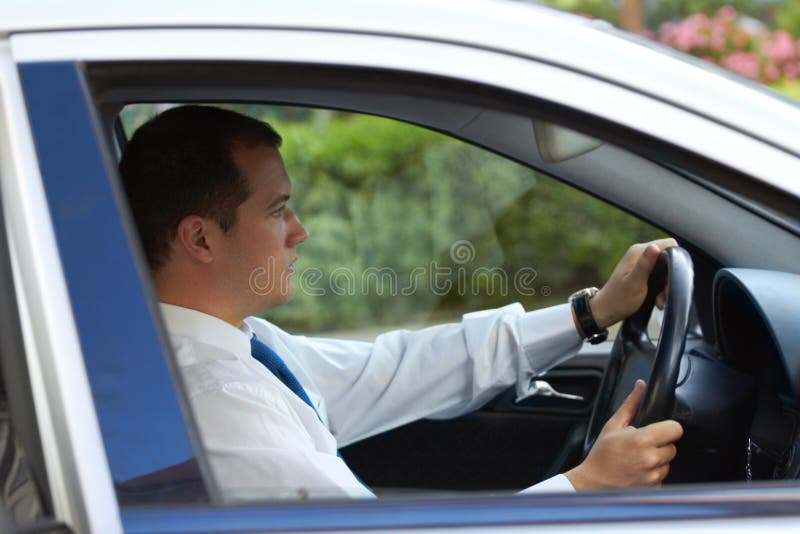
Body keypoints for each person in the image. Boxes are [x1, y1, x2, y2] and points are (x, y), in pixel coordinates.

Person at [119, 105, 683, 501]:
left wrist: (591, 313)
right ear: (200, 239)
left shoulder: (243, 345)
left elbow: (396, 369)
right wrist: (585, 487)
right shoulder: (219, 408)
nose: (300, 231)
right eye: (277, 210)